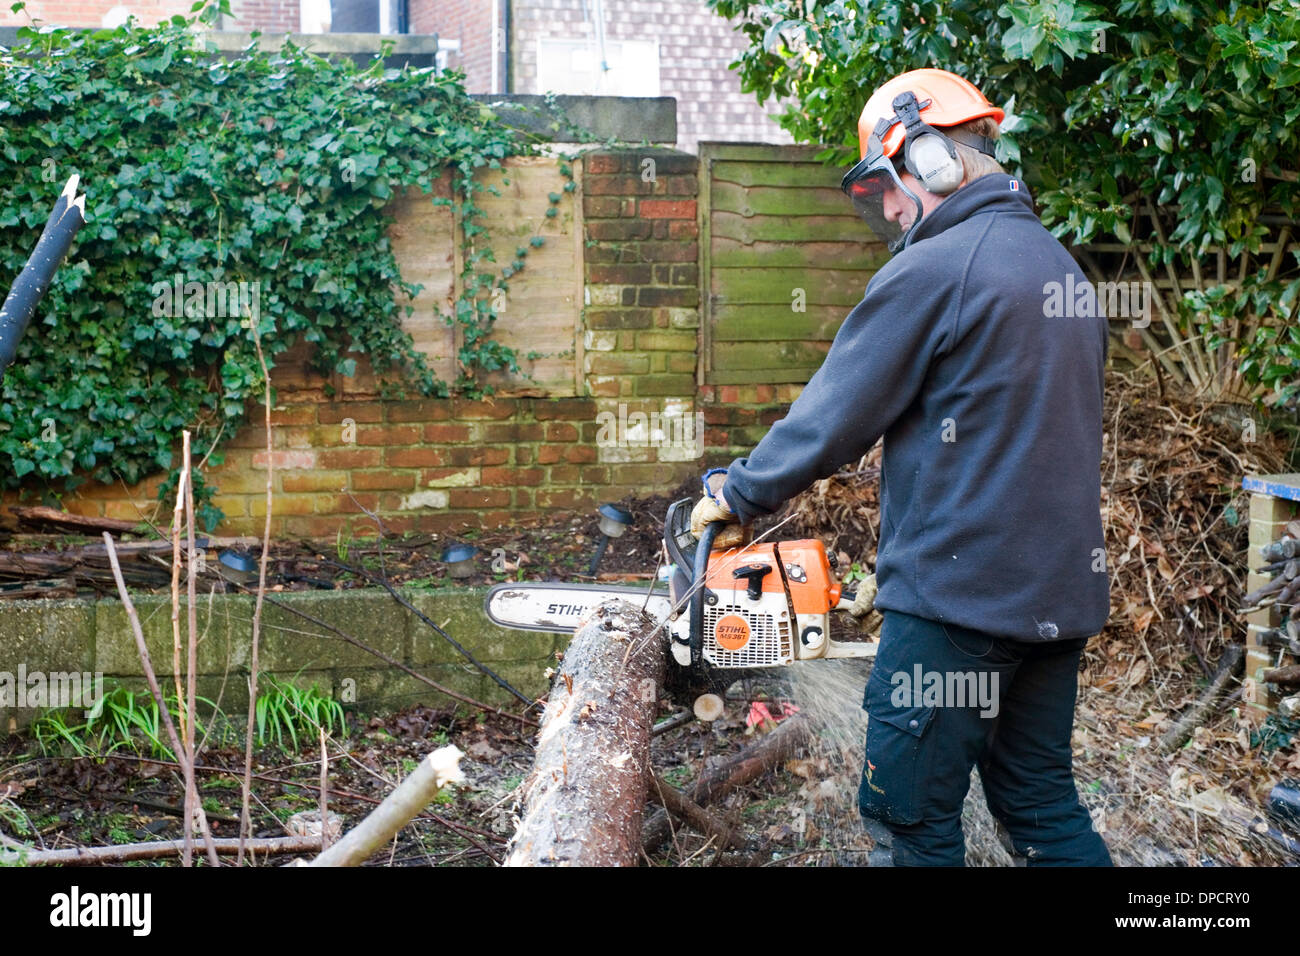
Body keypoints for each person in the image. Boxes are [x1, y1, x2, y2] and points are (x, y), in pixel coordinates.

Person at [690, 68, 1113, 867]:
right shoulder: (1061, 269)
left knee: (908, 816)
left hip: (960, 606)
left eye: (887, 183)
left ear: (930, 159)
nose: (886, 207)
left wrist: (738, 491)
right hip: (1056, 601)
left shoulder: (937, 268)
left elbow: (832, 416)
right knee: (1042, 806)